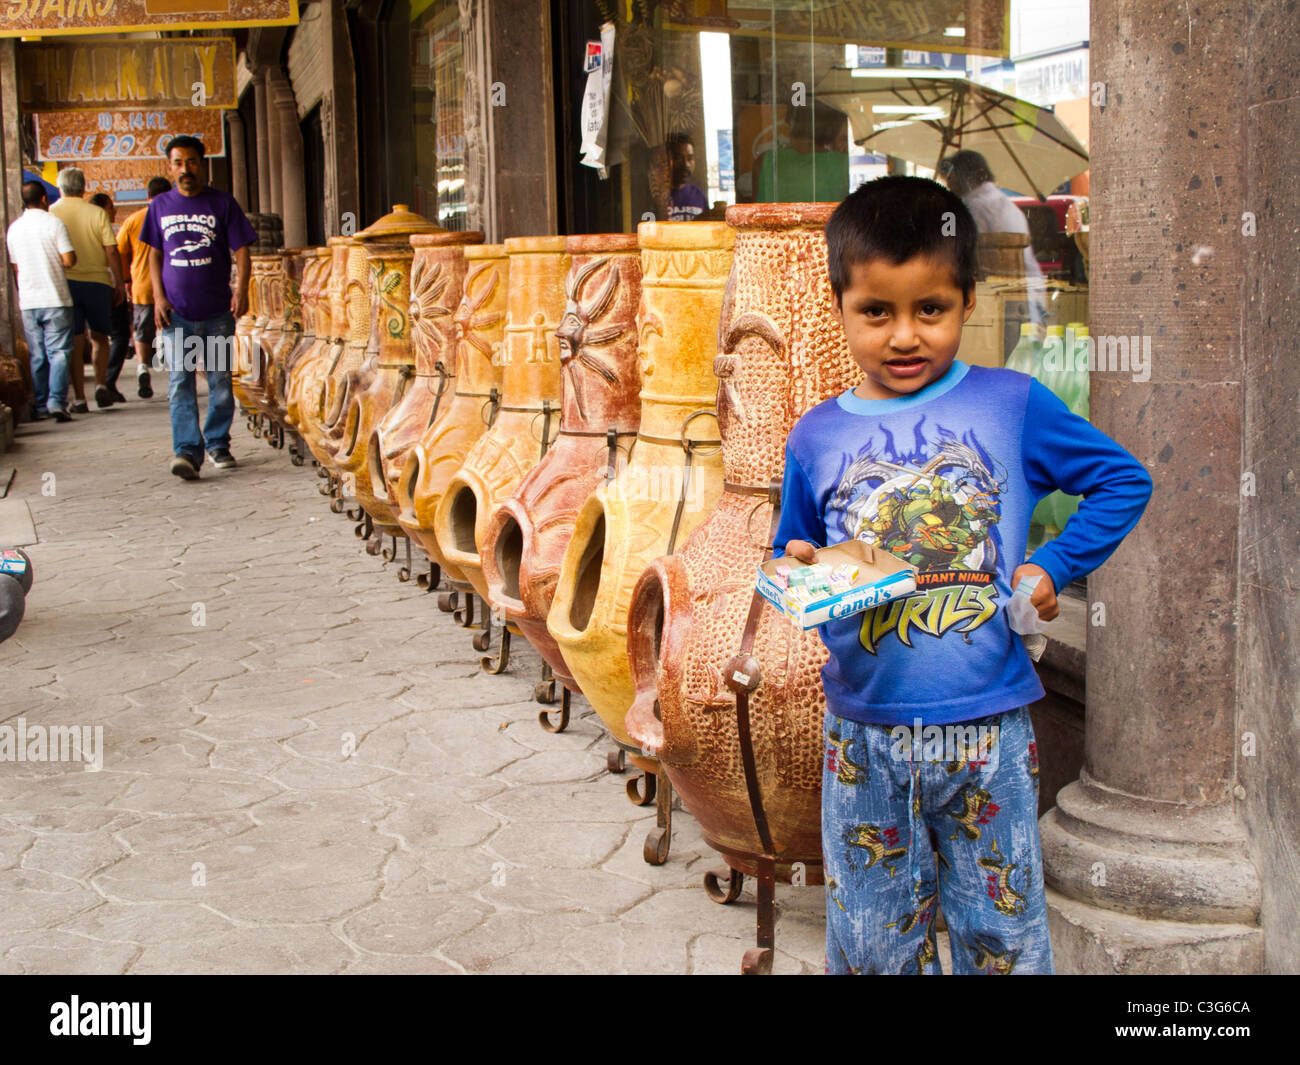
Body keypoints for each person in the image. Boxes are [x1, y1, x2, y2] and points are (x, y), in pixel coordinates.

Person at [775, 176, 1152, 974]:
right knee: (875, 946)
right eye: (877, 311)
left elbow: (1123, 480)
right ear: (839, 304)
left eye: (931, 309)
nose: (905, 335)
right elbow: (792, 552)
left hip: (990, 734)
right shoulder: (815, 436)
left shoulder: (1011, 404)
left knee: (1002, 942)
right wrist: (801, 570)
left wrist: (1053, 564)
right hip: (864, 740)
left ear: (970, 300)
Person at [140, 135, 255, 481]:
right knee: (180, 382)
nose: (185, 169)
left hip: (218, 313)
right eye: (178, 163)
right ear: (170, 167)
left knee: (220, 381)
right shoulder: (160, 205)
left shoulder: (222, 203)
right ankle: (187, 452)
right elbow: (154, 255)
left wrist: (242, 288)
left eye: (191, 162)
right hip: (177, 315)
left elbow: (242, 250)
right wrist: (158, 298)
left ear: (201, 164)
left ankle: (218, 442)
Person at [938, 149, 1046, 326]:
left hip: (997, 297)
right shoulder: (999, 200)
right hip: (1026, 294)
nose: (948, 181)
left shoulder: (973, 206)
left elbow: (957, 252)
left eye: (952, 174)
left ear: (967, 175)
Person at [50, 167, 126, 411]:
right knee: (100, 337)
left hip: (65, 283)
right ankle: (101, 385)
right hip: (98, 282)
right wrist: (119, 282)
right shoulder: (96, 212)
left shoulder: (51, 212)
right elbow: (111, 250)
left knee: (74, 339)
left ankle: (80, 398)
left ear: (60, 188)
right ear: (84, 188)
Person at [6, 180, 77, 422]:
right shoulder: (54, 224)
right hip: (55, 297)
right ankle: (56, 401)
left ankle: (40, 404)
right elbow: (68, 260)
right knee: (59, 352)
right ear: (45, 199)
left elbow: (16, 267)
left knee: (37, 355)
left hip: (28, 299)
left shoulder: (13, 229)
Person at [113, 176, 171, 400]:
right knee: (175, 331)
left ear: (148, 196)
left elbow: (119, 251)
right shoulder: (172, 217)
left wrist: (126, 279)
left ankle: (142, 368)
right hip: (172, 286)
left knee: (142, 331)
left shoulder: (134, 220)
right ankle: (177, 374)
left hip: (143, 285)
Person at [89, 192, 134, 404]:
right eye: (110, 208)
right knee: (119, 335)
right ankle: (106, 381)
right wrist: (120, 283)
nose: (114, 212)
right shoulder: (101, 224)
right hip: (107, 285)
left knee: (97, 336)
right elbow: (113, 253)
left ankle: (102, 384)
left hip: (86, 287)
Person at [665, 132, 707, 221]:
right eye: (678, 158)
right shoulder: (660, 197)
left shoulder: (698, 195)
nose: (685, 164)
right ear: (668, 160)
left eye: (689, 158)